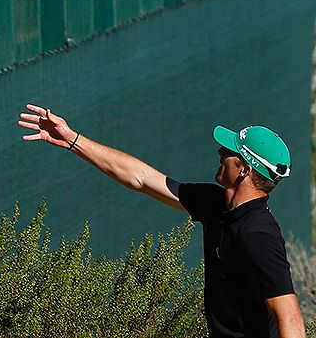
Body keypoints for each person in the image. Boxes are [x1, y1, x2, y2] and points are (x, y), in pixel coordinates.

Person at [19, 105, 306, 337]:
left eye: (230, 152)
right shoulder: (218, 205)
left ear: (244, 169)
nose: (221, 153)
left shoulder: (257, 235)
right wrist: (72, 140)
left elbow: (291, 320)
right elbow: (141, 178)